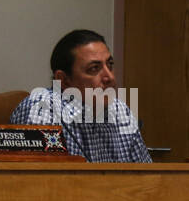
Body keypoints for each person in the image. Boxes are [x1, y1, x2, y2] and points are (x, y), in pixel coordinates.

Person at [10, 29, 152, 163]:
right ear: (63, 80)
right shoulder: (43, 109)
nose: (110, 77)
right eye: (94, 68)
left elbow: (148, 180)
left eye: (110, 65)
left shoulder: (120, 110)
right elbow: (40, 184)